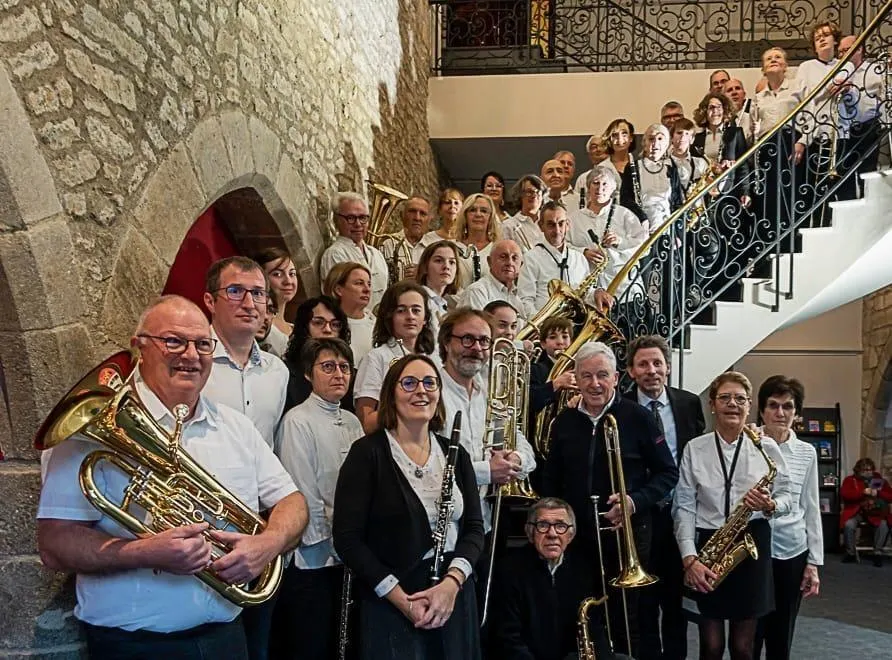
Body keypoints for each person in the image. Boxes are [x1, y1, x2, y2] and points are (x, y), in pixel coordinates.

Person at [37, 295, 307, 660]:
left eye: (202, 344)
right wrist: (143, 552)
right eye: (173, 341)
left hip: (227, 637)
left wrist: (269, 543)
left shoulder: (235, 427)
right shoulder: (85, 436)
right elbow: (54, 543)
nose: (191, 355)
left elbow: (292, 502)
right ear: (139, 349)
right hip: (134, 646)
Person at [332, 354, 485, 660]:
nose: (421, 391)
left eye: (430, 382)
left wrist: (451, 585)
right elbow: (347, 539)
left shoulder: (457, 454)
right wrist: (402, 600)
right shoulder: (367, 454)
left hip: (452, 595)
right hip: (392, 601)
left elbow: (474, 529)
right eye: (409, 383)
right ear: (391, 393)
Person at [542, 341, 678, 657]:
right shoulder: (564, 421)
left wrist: (634, 501)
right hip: (576, 539)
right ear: (575, 378)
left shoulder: (638, 417)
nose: (594, 384)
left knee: (629, 620)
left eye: (602, 375)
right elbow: (552, 480)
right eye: (586, 376)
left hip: (626, 535)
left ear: (616, 378)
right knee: (582, 614)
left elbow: (667, 474)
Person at [673, 371, 791, 660]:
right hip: (708, 548)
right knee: (711, 646)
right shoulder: (695, 448)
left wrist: (769, 506)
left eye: (740, 398)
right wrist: (690, 558)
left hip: (751, 547)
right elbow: (684, 506)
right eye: (724, 397)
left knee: (743, 647)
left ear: (749, 406)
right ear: (712, 405)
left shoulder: (766, 446)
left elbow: (788, 497)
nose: (732, 404)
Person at [436, 308, 537, 611]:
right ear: (446, 343)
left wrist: (514, 460)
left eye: (484, 340)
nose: (477, 348)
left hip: (483, 521)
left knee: (478, 612)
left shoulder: (489, 392)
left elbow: (525, 448)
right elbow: (427, 463)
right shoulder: (432, 390)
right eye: (467, 339)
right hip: (442, 527)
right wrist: (484, 472)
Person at [272, 338, 363, 660]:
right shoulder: (298, 421)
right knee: (311, 644)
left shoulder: (352, 421)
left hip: (347, 554)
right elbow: (303, 493)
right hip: (314, 556)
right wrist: (336, 542)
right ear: (308, 374)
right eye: (328, 367)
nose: (338, 374)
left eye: (344, 367)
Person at [624, 335, 705, 660]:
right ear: (630, 371)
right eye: (643, 364)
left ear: (668, 367)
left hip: (680, 514)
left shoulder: (688, 403)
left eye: (657, 363)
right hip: (640, 515)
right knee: (642, 602)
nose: (651, 370)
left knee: (676, 602)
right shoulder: (623, 406)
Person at [488, 497, 611, 660]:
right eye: (543, 525)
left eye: (561, 526)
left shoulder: (586, 569)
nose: (552, 534)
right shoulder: (508, 571)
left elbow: (596, 631)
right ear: (529, 532)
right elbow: (507, 639)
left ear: (571, 534)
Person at [753, 375, 822, 660]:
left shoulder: (807, 453)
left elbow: (811, 506)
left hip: (792, 551)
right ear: (761, 410)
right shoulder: (748, 445)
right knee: (749, 635)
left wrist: (814, 563)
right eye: (773, 405)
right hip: (753, 550)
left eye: (788, 407)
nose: (780, 413)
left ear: (797, 413)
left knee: (782, 635)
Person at [202, 257, 288, 450]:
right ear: (210, 302)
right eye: (235, 291)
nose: (249, 304)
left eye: (258, 293)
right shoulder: (189, 362)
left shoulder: (278, 371)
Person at [354, 281, 436, 433]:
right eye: (401, 310)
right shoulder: (376, 358)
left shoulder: (434, 359)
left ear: (425, 319)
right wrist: (408, 408)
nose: (410, 317)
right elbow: (366, 422)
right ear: (389, 316)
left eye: (416, 310)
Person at [567, 166, 648, 290]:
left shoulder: (625, 215)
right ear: (588, 187)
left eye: (605, 184)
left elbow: (644, 248)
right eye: (595, 183)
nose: (600, 188)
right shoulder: (574, 219)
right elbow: (563, 246)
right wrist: (583, 252)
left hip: (623, 289)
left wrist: (620, 242)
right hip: (587, 290)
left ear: (613, 188)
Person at [834, 34, 885, 200]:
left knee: (867, 172)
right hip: (845, 129)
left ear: (859, 49)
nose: (842, 55)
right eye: (840, 51)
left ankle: (868, 207)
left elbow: (883, 96)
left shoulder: (873, 70)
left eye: (846, 50)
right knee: (845, 173)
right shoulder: (839, 71)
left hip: (868, 126)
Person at [282, 295, 352, 413]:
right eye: (319, 323)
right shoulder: (285, 372)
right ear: (304, 327)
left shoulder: (349, 374)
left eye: (335, 324)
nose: (328, 330)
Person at [320, 192, 389, 310]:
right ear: (337, 220)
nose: (358, 224)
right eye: (350, 218)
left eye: (363, 218)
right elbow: (337, 301)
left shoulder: (376, 254)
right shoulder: (335, 254)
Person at [518, 201, 590, 313]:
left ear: (568, 225)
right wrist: (541, 324)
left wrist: (597, 293)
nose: (557, 231)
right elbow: (525, 300)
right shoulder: (531, 258)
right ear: (541, 226)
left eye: (561, 223)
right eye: (551, 224)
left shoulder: (579, 258)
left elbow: (588, 294)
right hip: (545, 326)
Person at [458, 239, 530, 322]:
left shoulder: (517, 299)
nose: (510, 263)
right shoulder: (476, 292)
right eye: (503, 257)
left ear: (520, 265)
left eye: (514, 258)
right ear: (489, 261)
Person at [840, 457, 892, 566]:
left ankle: (877, 553)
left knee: (883, 525)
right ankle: (850, 553)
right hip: (856, 511)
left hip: (874, 512)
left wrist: (878, 493)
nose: (868, 472)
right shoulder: (850, 480)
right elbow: (846, 495)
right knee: (849, 524)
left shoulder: (877, 480)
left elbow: (890, 496)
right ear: (858, 470)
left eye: (869, 470)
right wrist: (862, 492)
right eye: (865, 470)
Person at [325, 262, 376, 365]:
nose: (367, 289)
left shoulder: (377, 325)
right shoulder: (327, 326)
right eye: (359, 283)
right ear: (339, 290)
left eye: (369, 284)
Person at [254, 248, 299, 358]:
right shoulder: (259, 324)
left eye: (292, 274)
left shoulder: (295, 329)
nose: (288, 281)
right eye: (277, 274)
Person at [416, 239, 463, 338]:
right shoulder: (419, 301)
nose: (446, 266)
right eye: (438, 260)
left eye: (452, 262)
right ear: (425, 267)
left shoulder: (443, 304)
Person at [602, 118, 646, 222]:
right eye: (615, 135)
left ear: (631, 138)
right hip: (612, 219)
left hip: (636, 218)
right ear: (609, 139)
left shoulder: (640, 165)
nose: (620, 139)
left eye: (624, 134)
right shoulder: (602, 168)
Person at [379, 196, 435, 278]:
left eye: (423, 214)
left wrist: (423, 275)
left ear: (429, 219)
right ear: (402, 215)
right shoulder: (388, 244)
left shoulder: (435, 248)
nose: (417, 218)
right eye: (412, 211)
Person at [453, 192, 502, 285]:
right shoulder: (452, 248)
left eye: (484, 211)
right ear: (465, 215)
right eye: (472, 210)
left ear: (490, 217)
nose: (478, 214)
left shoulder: (498, 250)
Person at [502, 174, 547, 252]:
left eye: (538, 191)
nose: (534, 195)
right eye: (529, 192)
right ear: (519, 195)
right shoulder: (508, 226)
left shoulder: (550, 222)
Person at [722, 78, 757, 145]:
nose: (734, 92)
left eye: (737, 88)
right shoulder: (719, 116)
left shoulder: (752, 112)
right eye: (729, 90)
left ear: (744, 94)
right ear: (723, 97)